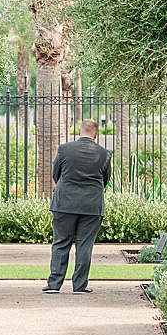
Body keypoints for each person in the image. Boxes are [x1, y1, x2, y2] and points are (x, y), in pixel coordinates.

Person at [45, 117, 112, 295]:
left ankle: (54, 284)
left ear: (79, 132)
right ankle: (80, 285)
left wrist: (66, 188)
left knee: (60, 242)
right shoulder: (105, 154)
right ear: (96, 135)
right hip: (91, 205)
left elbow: (56, 173)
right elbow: (105, 180)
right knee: (85, 245)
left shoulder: (65, 149)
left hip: (64, 203)